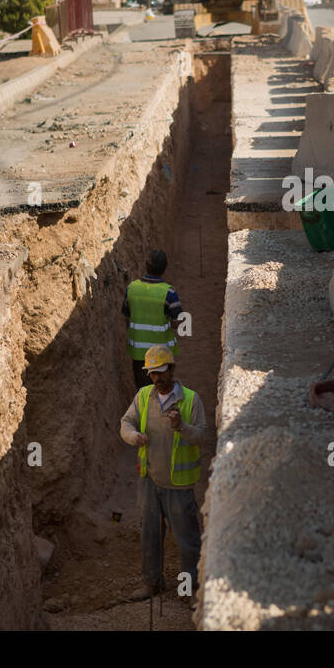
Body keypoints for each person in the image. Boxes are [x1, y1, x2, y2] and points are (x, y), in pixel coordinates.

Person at [120, 346, 209, 602]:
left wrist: (182, 426)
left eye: (161, 373)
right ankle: (152, 583)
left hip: (179, 486)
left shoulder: (191, 400)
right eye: (152, 374)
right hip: (150, 481)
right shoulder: (144, 396)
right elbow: (125, 422)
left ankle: (191, 589)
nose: (156, 378)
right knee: (150, 535)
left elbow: (201, 436)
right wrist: (133, 436)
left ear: (172, 369)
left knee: (187, 540)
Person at [122, 249, 183, 390]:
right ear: (165, 268)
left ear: (146, 265)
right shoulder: (169, 292)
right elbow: (179, 321)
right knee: (162, 392)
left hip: (138, 354)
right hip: (161, 354)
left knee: (143, 392)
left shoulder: (131, 289)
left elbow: (127, 317)